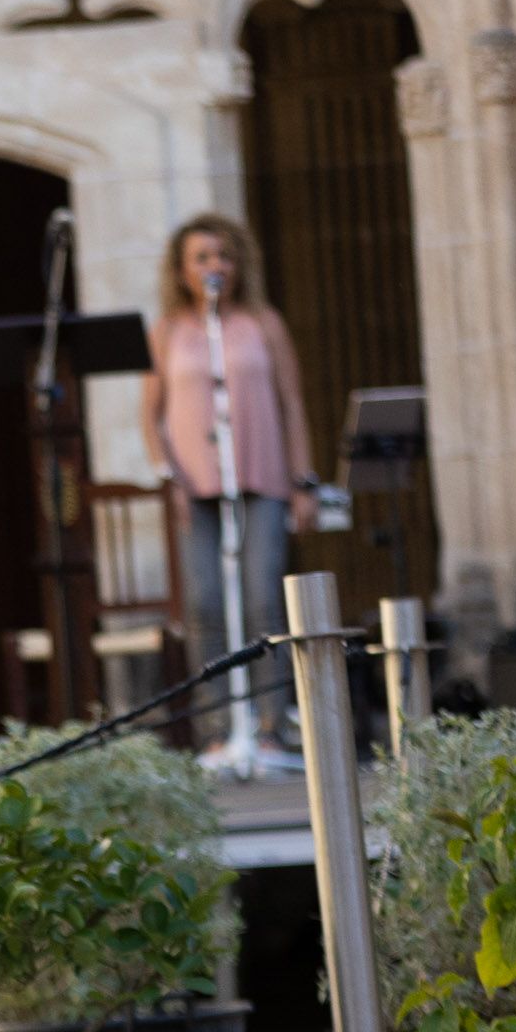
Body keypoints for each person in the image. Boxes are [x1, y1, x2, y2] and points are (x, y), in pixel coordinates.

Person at [136, 214, 316, 742]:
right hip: (194, 483)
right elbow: (151, 413)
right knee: (205, 603)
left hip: (261, 476)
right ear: (183, 270)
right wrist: (167, 477)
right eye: (203, 257)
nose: (216, 266)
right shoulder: (168, 330)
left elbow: (292, 403)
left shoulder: (263, 322)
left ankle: (268, 722)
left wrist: (304, 482)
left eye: (224, 256)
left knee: (264, 596)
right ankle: (218, 726)